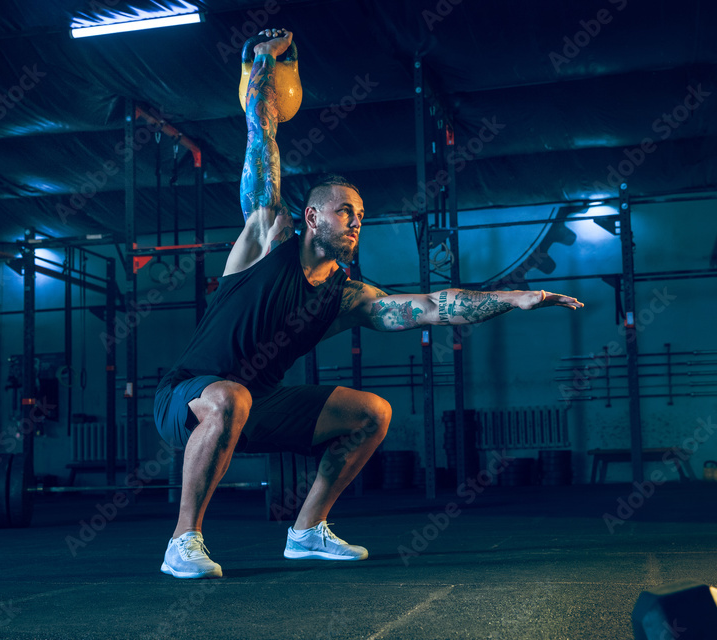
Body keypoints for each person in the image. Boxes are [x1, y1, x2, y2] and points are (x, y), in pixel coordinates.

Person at [154, 28, 584, 579]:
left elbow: (432, 306)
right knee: (229, 395)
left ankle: (307, 531)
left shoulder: (348, 297)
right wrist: (262, 65)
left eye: (360, 214)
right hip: (186, 399)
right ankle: (181, 541)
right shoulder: (265, 239)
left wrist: (516, 298)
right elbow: (261, 135)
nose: (355, 220)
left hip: (254, 405)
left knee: (371, 412)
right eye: (343, 211)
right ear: (311, 217)